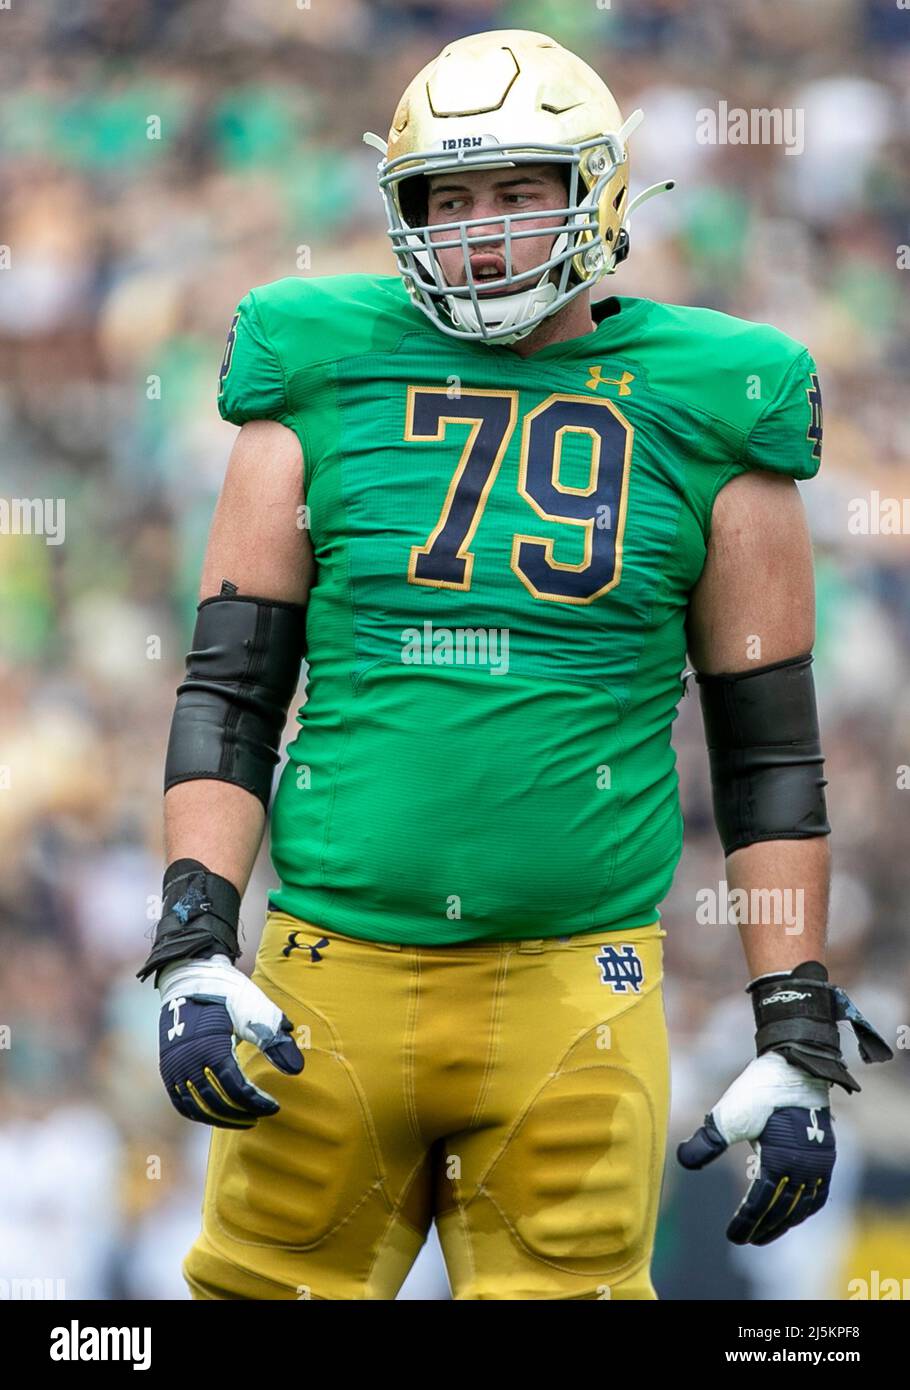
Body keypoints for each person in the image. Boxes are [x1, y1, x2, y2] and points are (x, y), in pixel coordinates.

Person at [138, 29, 891, 1300]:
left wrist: (794, 1020)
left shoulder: (718, 393)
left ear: (595, 191)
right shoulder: (315, 359)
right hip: (330, 973)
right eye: (448, 196)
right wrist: (197, 934)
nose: (478, 229)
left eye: (515, 190)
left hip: (574, 985)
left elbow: (767, 755)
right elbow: (230, 689)